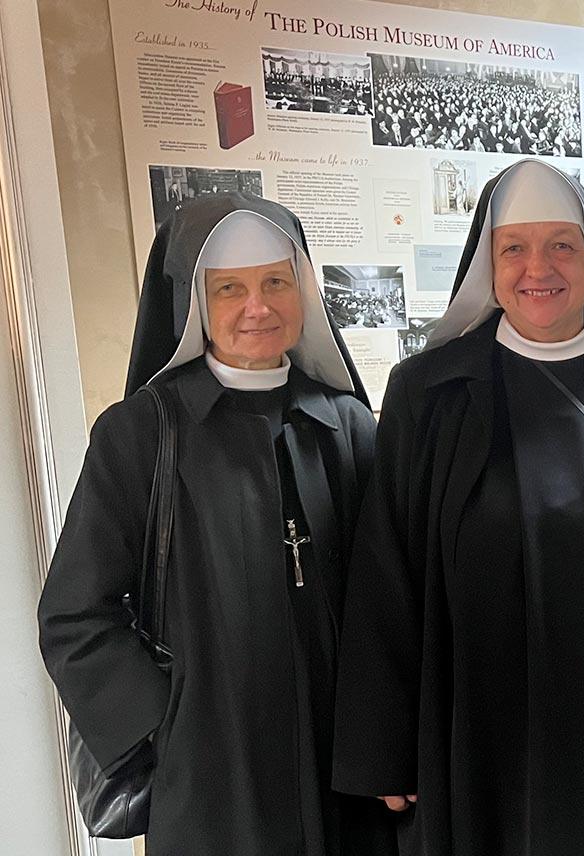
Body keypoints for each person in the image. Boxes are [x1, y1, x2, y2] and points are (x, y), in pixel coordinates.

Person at [329, 159, 584, 855]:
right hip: (473, 726)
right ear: (485, 264)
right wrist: (384, 745)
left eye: (561, 245)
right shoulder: (427, 393)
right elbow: (384, 572)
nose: (537, 268)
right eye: (513, 247)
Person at [38, 194, 397, 855]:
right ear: (195, 301)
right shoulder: (140, 435)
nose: (257, 307)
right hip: (212, 782)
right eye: (229, 288)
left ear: (302, 290)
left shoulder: (347, 426)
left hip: (344, 771)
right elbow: (73, 614)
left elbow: (392, 598)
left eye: (275, 282)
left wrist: (389, 736)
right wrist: (165, 726)